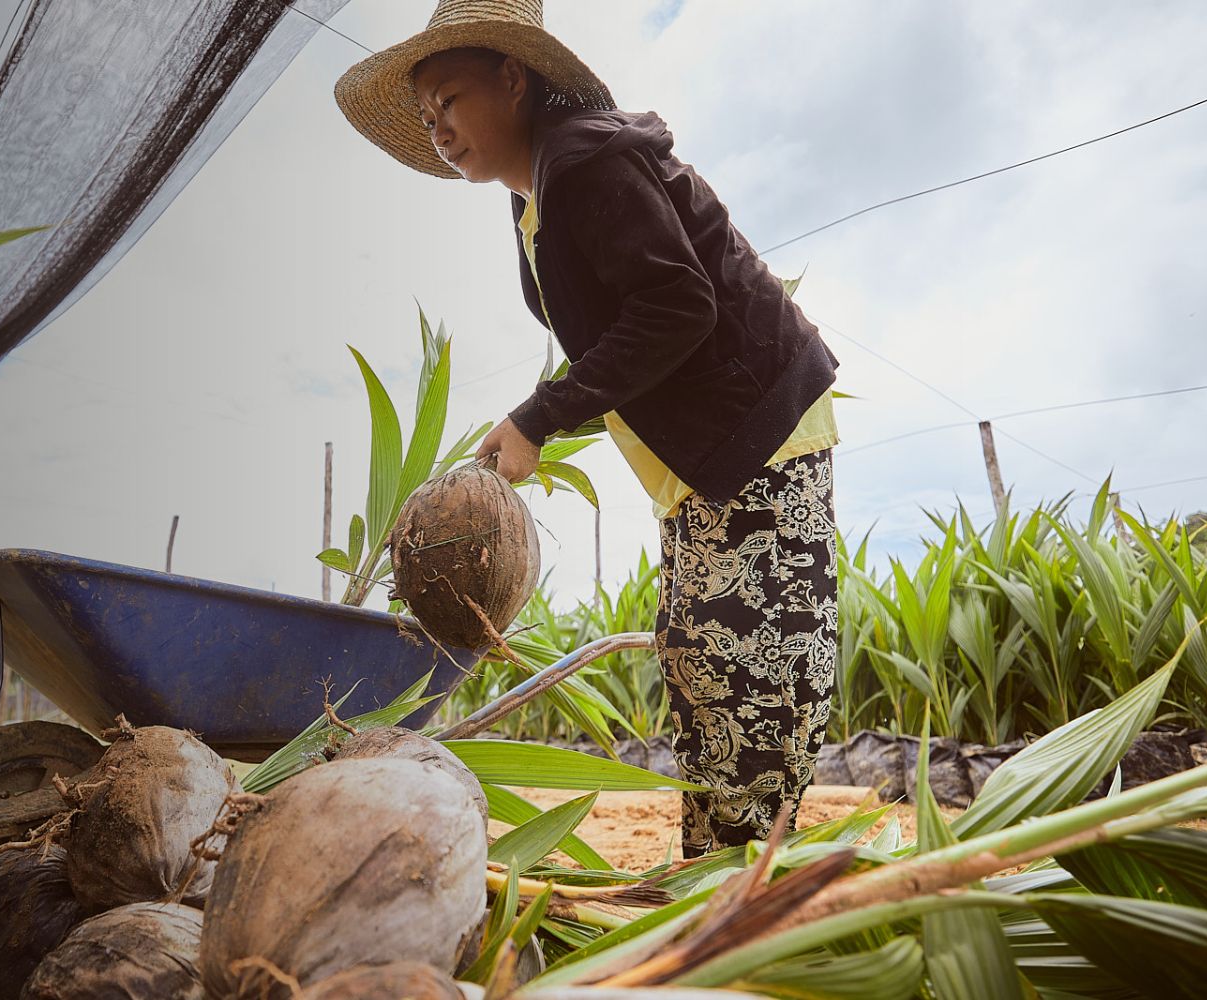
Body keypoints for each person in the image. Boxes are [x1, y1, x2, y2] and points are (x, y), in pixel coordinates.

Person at [334, 1, 841, 854]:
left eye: (449, 99)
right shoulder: (534, 201)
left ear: (512, 76)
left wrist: (541, 415)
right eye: (426, 117)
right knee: (697, 657)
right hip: (700, 460)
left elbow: (680, 303)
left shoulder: (588, 164)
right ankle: (716, 866)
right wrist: (532, 427)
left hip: (758, 432)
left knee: (747, 661)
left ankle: (745, 874)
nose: (438, 127)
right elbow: (624, 332)